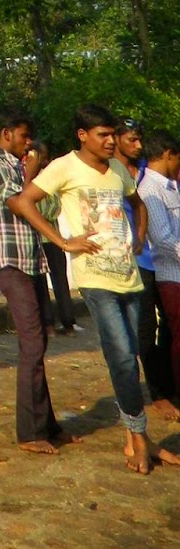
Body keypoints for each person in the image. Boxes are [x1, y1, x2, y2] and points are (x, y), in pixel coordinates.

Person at [12, 102, 180, 475]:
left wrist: (138, 238)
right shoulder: (63, 167)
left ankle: (138, 437)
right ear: (82, 135)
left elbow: (138, 204)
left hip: (129, 276)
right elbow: (24, 202)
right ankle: (138, 437)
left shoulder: (119, 169)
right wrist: (63, 240)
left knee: (132, 353)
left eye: (112, 134)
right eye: (103, 135)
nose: (110, 141)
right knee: (121, 357)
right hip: (95, 278)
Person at [0, 113, 69, 455]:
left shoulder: (14, 164)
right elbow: (20, 202)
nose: (28, 142)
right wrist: (32, 169)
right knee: (32, 345)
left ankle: (47, 426)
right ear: (7, 133)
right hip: (12, 263)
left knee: (39, 343)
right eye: (24, 135)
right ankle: (30, 431)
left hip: (32, 262)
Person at [116, 118, 175, 417]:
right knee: (144, 329)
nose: (137, 145)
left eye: (139, 139)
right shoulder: (111, 172)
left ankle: (166, 386)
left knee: (168, 325)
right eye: (132, 139)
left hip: (159, 259)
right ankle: (156, 391)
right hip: (134, 259)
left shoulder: (145, 170)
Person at [138, 131, 180, 419]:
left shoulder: (170, 187)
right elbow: (162, 237)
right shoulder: (150, 189)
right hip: (170, 273)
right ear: (167, 154)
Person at [24, 140, 78, 337]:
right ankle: (53, 324)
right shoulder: (33, 181)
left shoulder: (46, 180)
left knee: (55, 282)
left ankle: (63, 323)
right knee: (46, 283)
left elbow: (50, 210)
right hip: (43, 239)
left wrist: (33, 210)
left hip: (48, 238)